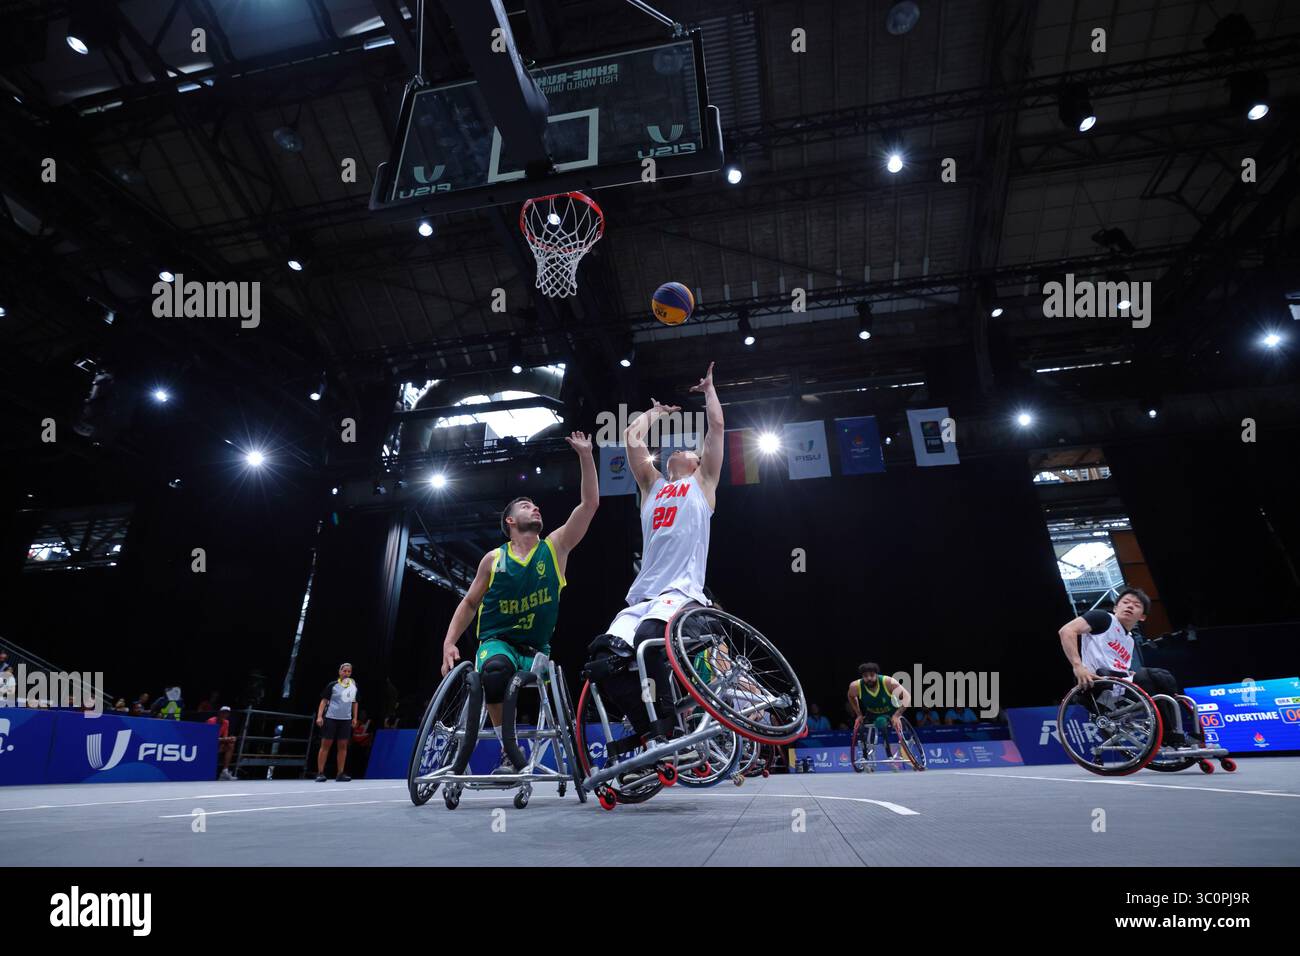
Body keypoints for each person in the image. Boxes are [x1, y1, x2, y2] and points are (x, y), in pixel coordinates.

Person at [439, 432, 598, 771]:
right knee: (495, 676)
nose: (535, 507)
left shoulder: (555, 548)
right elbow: (469, 603)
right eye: (526, 506)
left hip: (537, 649)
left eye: (536, 505)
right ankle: (509, 751)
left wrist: (586, 455)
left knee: (517, 678)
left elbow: (589, 506)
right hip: (497, 643)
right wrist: (450, 642)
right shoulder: (493, 560)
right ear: (510, 521)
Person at [586, 363, 723, 743]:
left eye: (688, 449)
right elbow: (631, 438)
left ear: (697, 463)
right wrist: (654, 413)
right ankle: (648, 725)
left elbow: (717, 429)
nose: (680, 449)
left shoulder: (702, 483)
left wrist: (710, 390)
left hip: (680, 594)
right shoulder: (652, 486)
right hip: (644, 596)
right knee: (602, 660)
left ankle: (668, 723)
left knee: (650, 640)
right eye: (674, 447)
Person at [1057, 586, 1190, 748]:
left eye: (1136, 605)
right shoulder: (1103, 618)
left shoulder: (1129, 640)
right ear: (1115, 608)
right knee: (1152, 675)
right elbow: (1066, 631)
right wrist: (1078, 667)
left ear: (1142, 617)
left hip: (1119, 684)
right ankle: (1167, 734)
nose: (1129, 606)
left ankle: (1175, 731)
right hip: (1096, 684)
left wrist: (1128, 673)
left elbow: (1115, 663)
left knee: (1163, 678)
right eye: (1125, 602)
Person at [847, 663, 911, 765]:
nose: (869, 678)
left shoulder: (888, 682)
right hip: (871, 713)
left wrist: (897, 715)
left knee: (881, 722)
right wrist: (858, 714)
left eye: (872, 675)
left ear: (876, 674)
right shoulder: (855, 686)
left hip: (889, 713)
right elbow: (851, 696)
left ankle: (889, 754)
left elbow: (907, 697)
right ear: (862, 676)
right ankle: (864, 756)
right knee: (860, 726)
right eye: (865, 676)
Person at [315, 663, 358, 781]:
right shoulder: (332, 685)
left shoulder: (353, 686)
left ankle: (340, 773)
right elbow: (324, 701)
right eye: (344, 671)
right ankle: (320, 772)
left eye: (349, 671)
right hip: (331, 718)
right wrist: (319, 716)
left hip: (345, 720)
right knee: (326, 745)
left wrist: (354, 718)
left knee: (343, 746)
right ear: (340, 672)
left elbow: (354, 702)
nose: (346, 673)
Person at [207, 705, 237, 780]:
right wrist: (225, 739)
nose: (225, 715)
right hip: (207, 744)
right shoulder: (211, 721)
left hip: (217, 744)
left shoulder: (226, 722)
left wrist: (230, 739)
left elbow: (224, 737)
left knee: (231, 745)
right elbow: (209, 738)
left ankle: (224, 771)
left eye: (227, 713)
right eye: (223, 713)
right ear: (219, 713)